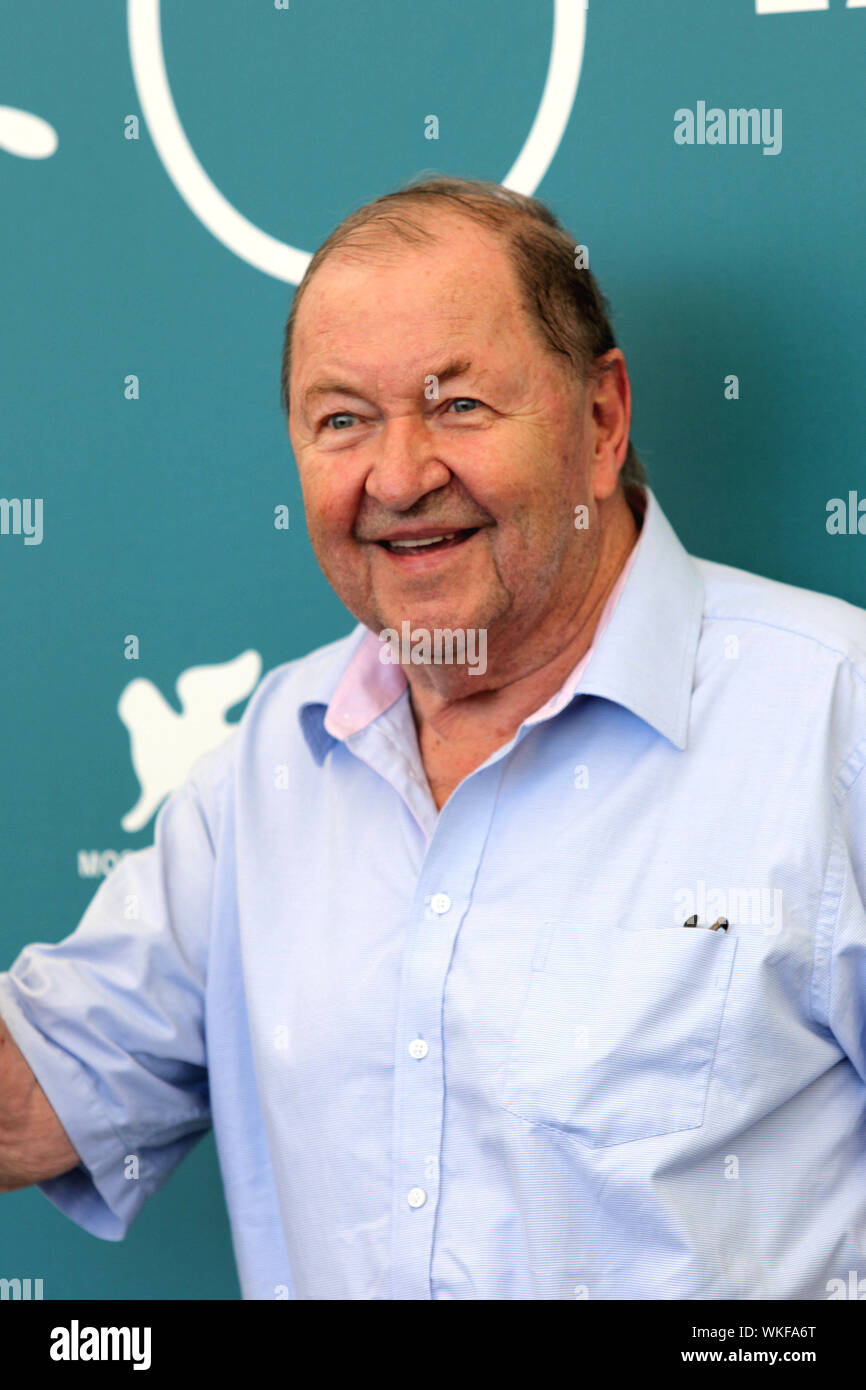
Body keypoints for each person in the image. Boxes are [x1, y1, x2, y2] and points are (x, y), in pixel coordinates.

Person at [2, 175, 865, 1301]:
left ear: (600, 422)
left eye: (456, 404)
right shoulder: (269, 763)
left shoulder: (829, 720)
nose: (399, 477)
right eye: (342, 420)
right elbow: (39, 1098)